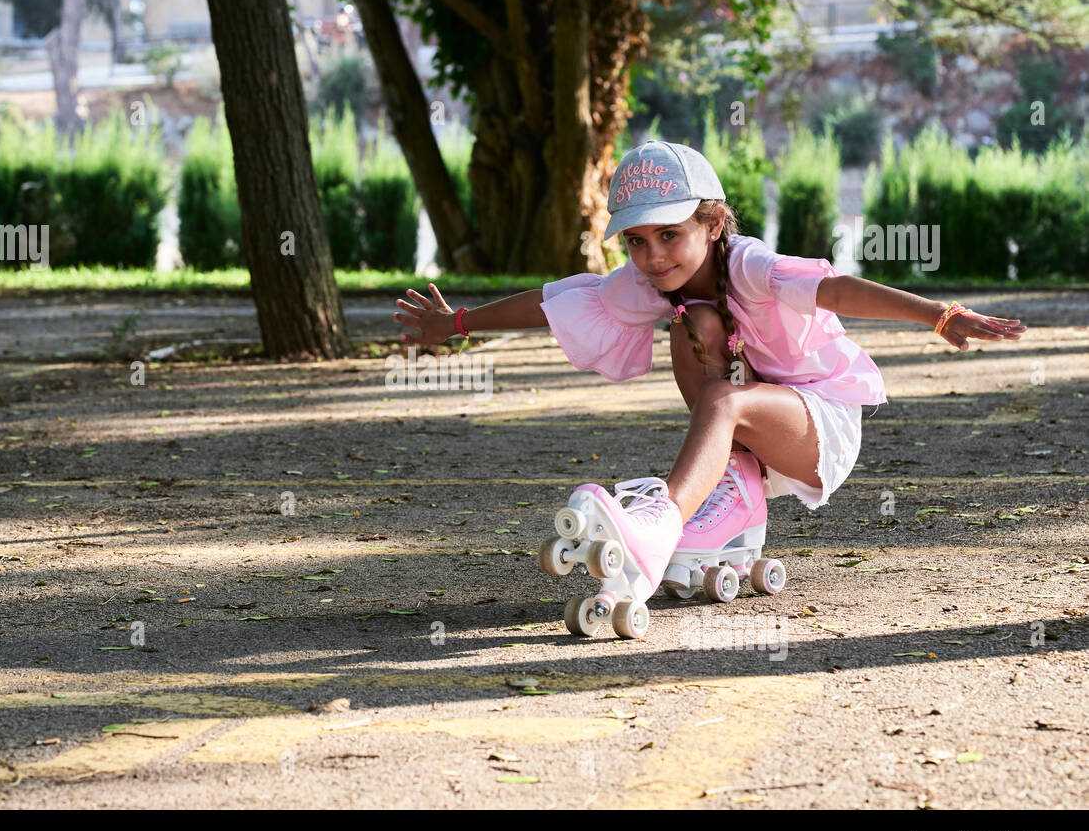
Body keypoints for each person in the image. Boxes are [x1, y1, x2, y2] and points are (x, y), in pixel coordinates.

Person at [393, 139, 1026, 603]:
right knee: (691, 324)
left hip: (819, 425)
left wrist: (939, 316)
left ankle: (657, 527)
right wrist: (456, 324)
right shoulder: (652, 282)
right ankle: (735, 488)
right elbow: (556, 299)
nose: (651, 255)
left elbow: (838, 291)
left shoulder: (750, 264)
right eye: (636, 241)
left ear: (713, 222)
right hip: (754, 417)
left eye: (669, 235)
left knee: (722, 398)